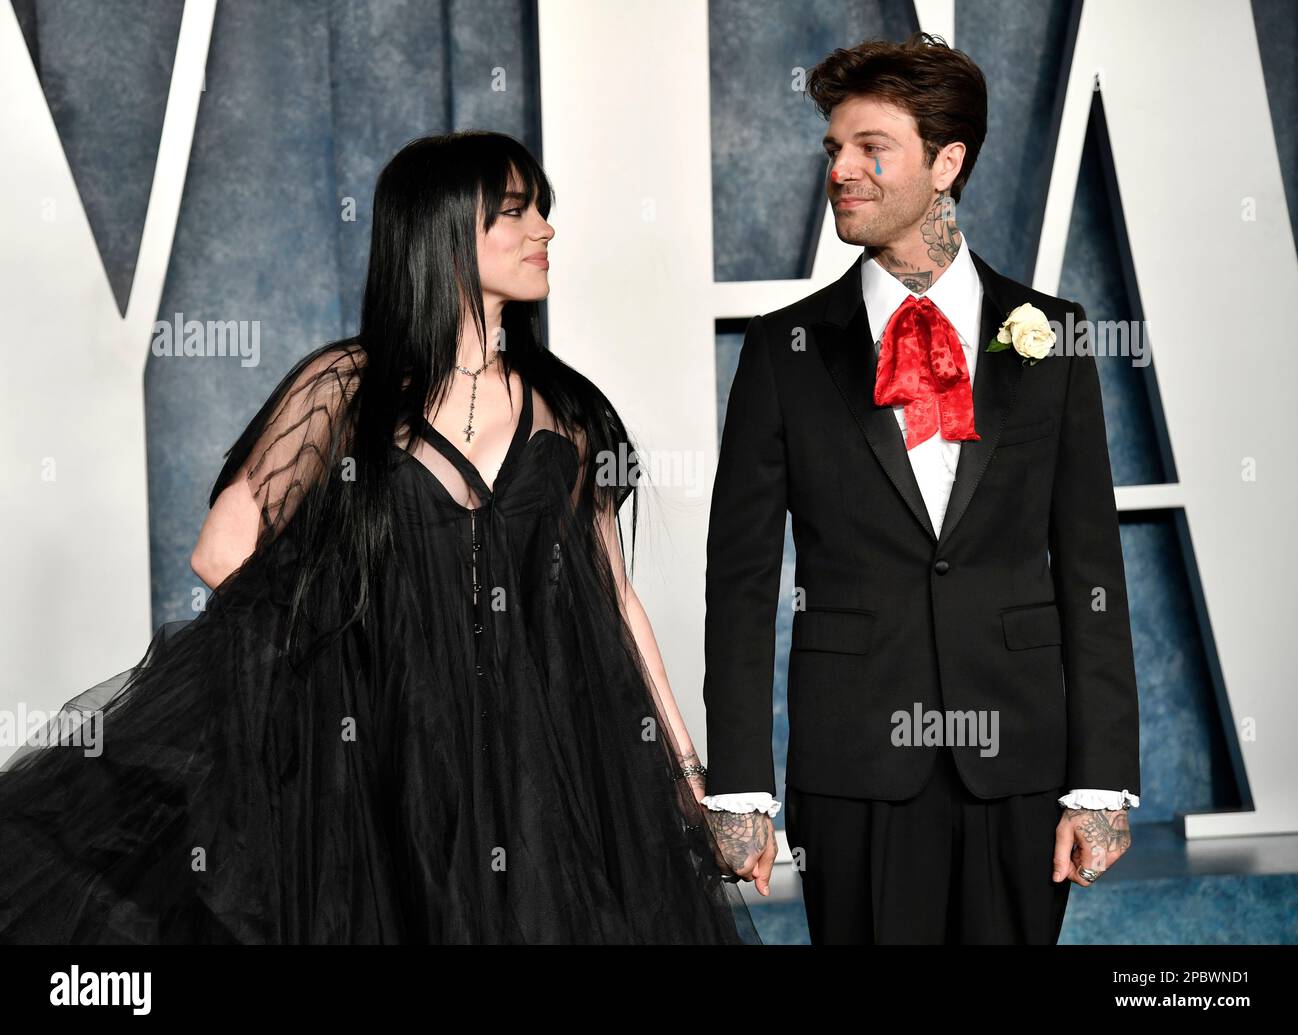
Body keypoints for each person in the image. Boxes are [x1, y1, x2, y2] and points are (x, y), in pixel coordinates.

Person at [0, 130, 760, 946]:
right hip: (388, 754)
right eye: (514, 212)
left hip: (543, 761)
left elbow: (614, 599)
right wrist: (364, 665)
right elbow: (222, 554)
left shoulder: (567, 409)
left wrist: (692, 782)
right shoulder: (345, 388)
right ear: (438, 229)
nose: (544, 229)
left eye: (543, 210)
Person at [699, 32, 1140, 944]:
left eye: (871, 149)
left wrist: (1100, 781)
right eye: (833, 150)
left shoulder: (1053, 335)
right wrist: (741, 784)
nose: (841, 172)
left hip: (1019, 762)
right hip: (854, 764)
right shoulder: (783, 350)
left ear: (947, 162)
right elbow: (739, 581)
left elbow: (1092, 566)